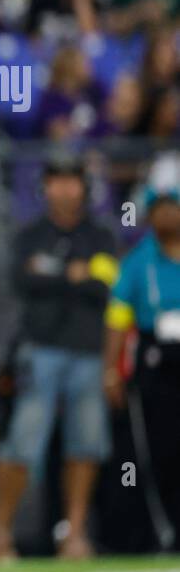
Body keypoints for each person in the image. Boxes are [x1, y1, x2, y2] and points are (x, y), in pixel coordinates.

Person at [0, 154, 117, 560]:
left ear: (84, 187)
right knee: (20, 444)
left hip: (87, 351)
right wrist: (76, 275)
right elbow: (22, 279)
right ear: (46, 186)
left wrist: (55, 274)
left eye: (72, 180)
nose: (65, 188)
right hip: (40, 350)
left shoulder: (101, 236)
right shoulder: (29, 235)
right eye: (57, 180)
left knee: (84, 446)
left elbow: (106, 285)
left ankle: (73, 534)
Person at [104, 175, 180, 550]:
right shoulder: (138, 261)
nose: (167, 214)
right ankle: (161, 531)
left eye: (173, 206)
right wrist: (110, 370)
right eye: (158, 208)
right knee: (160, 448)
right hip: (157, 358)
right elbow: (118, 317)